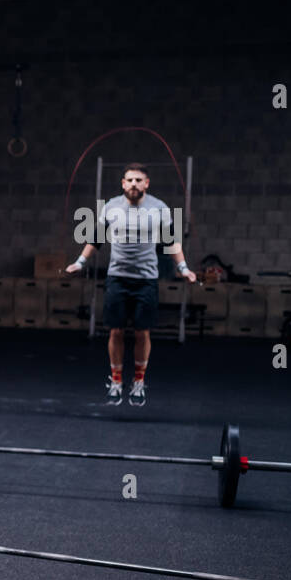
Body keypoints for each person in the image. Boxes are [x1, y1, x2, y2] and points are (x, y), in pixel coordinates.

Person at [65, 163, 196, 406]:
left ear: (146, 183)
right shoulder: (111, 207)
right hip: (117, 278)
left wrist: (184, 269)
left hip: (146, 280)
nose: (134, 184)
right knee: (115, 330)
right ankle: (116, 381)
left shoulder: (160, 208)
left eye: (138, 180)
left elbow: (172, 243)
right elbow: (96, 238)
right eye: (129, 180)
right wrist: (80, 262)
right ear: (122, 183)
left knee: (141, 332)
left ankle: (138, 382)